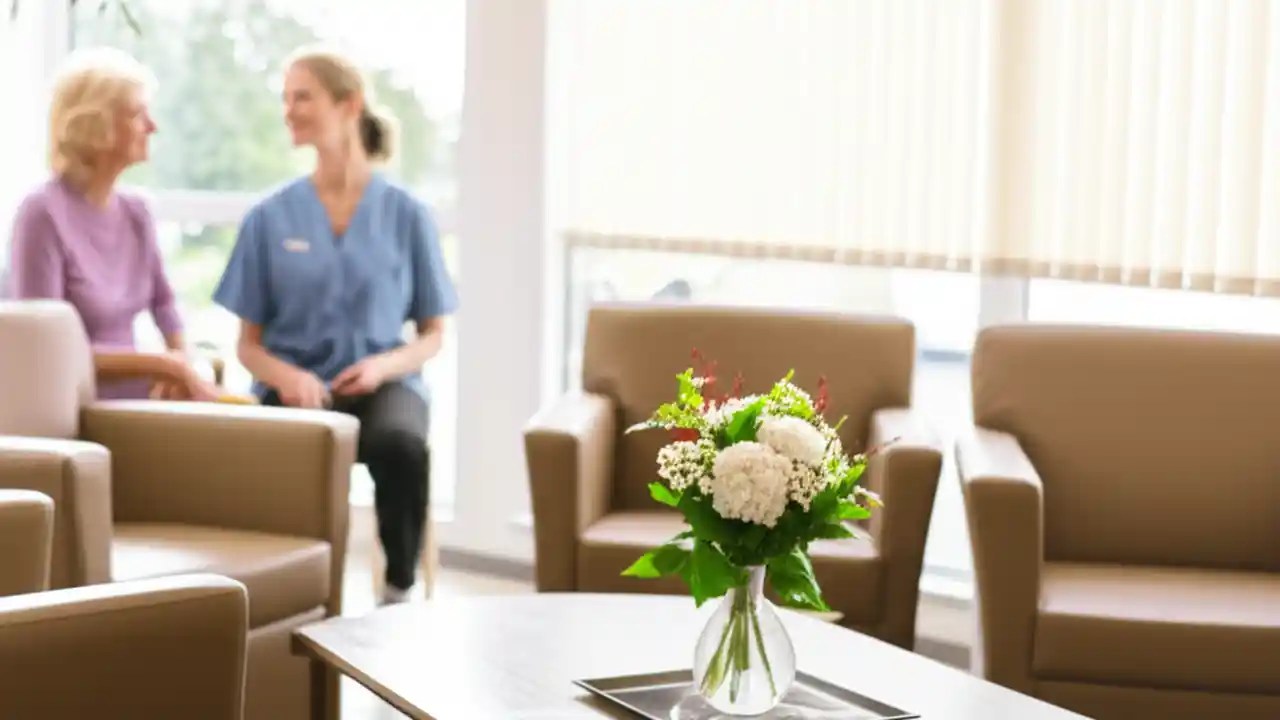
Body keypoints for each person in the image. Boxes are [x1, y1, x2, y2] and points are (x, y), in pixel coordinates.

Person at [213, 46, 457, 605]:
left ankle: (397, 593)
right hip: (292, 388)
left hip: (381, 383)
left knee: (402, 446)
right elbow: (248, 346)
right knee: (275, 457)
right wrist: (288, 377)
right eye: (285, 98)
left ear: (349, 105)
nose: (289, 110)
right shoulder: (269, 217)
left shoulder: (407, 215)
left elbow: (433, 333)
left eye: (302, 97)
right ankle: (286, 593)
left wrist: (382, 367)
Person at [8, 47, 220, 401]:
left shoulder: (137, 212)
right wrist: (165, 366)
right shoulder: (42, 214)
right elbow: (43, 347)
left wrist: (182, 366)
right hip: (72, 405)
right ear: (95, 124)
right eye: (138, 114)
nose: (153, 127)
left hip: (134, 403)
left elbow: (165, 307)